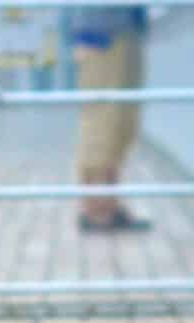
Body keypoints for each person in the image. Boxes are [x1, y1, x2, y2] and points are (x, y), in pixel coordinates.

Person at [69, 6, 150, 232]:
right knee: (102, 122)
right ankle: (96, 209)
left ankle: (107, 205)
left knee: (121, 124)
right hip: (103, 32)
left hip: (118, 28)